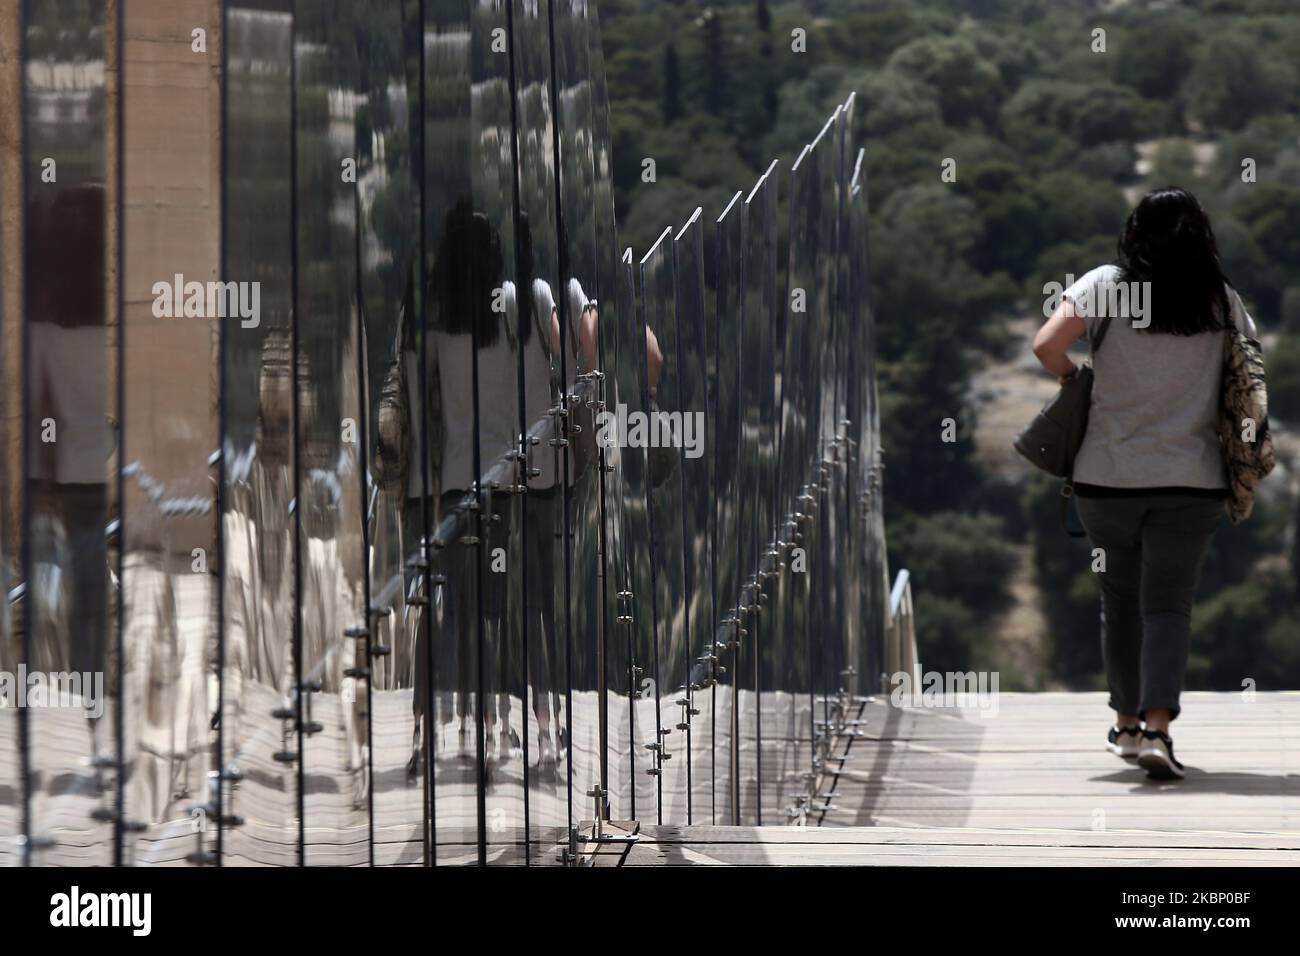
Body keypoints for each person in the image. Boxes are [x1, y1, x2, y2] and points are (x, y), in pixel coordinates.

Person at [1032, 187, 1258, 781]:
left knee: (1120, 601)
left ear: (1135, 233)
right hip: (1191, 480)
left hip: (1106, 482)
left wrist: (1074, 380)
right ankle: (1158, 727)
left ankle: (1126, 725)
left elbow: (1045, 345)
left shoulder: (1107, 285)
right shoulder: (1219, 300)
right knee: (1168, 606)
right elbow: (1251, 374)